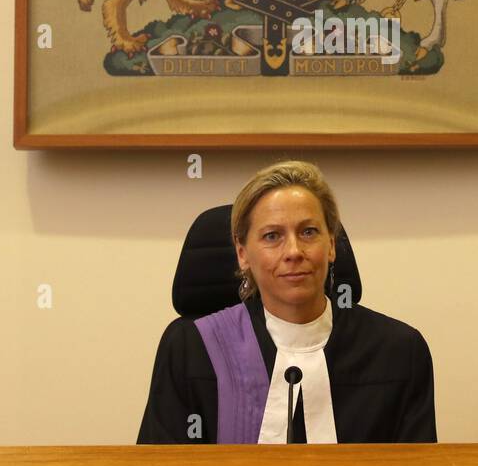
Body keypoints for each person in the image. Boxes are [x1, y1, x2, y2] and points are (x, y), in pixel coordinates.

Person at [136, 160, 437, 444]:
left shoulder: (398, 352)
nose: (293, 251)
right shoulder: (192, 349)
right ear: (243, 254)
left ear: (331, 245)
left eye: (308, 232)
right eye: (272, 236)